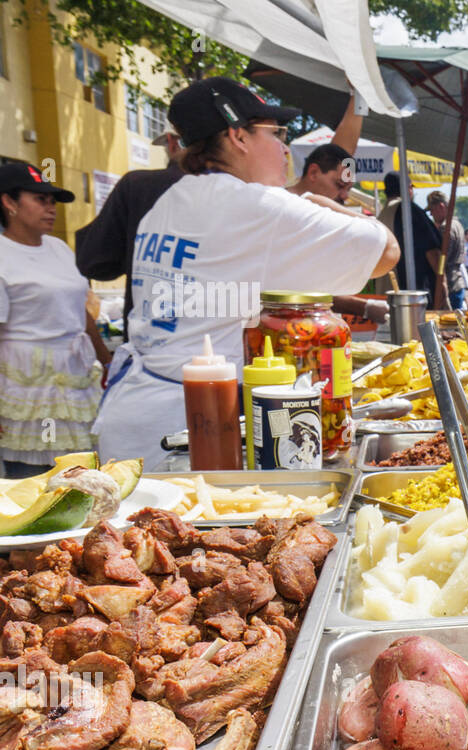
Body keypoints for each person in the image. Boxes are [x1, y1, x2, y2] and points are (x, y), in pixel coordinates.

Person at [91, 77, 398, 469]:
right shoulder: (256, 206)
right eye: (275, 134)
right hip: (195, 433)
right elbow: (387, 252)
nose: (284, 148)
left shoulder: (171, 198)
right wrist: (325, 204)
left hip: (137, 417)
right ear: (238, 137)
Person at [0, 163, 113, 476]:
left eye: (52, 202)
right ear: (9, 202)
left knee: (82, 470)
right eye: (40, 199)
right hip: (27, 381)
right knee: (35, 471)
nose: (50, 209)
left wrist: (107, 363)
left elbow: (80, 311)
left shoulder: (59, 248)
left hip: (75, 375)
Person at [74, 127, 185, 333]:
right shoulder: (243, 192)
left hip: (150, 343)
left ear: (171, 143)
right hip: (226, 347)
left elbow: (94, 262)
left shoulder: (137, 186)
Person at [376, 172, 438, 293]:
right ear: (407, 188)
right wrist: (443, 280)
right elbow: (432, 250)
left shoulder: (381, 215)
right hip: (411, 291)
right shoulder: (409, 210)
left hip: (384, 288)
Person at [426, 190, 467, 310]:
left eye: (432, 210)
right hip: (456, 282)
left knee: (449, 326)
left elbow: (442, 259)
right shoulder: (457, 224)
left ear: (441, 206)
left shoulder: (446, 227)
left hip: (449, 285)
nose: (432, 215)